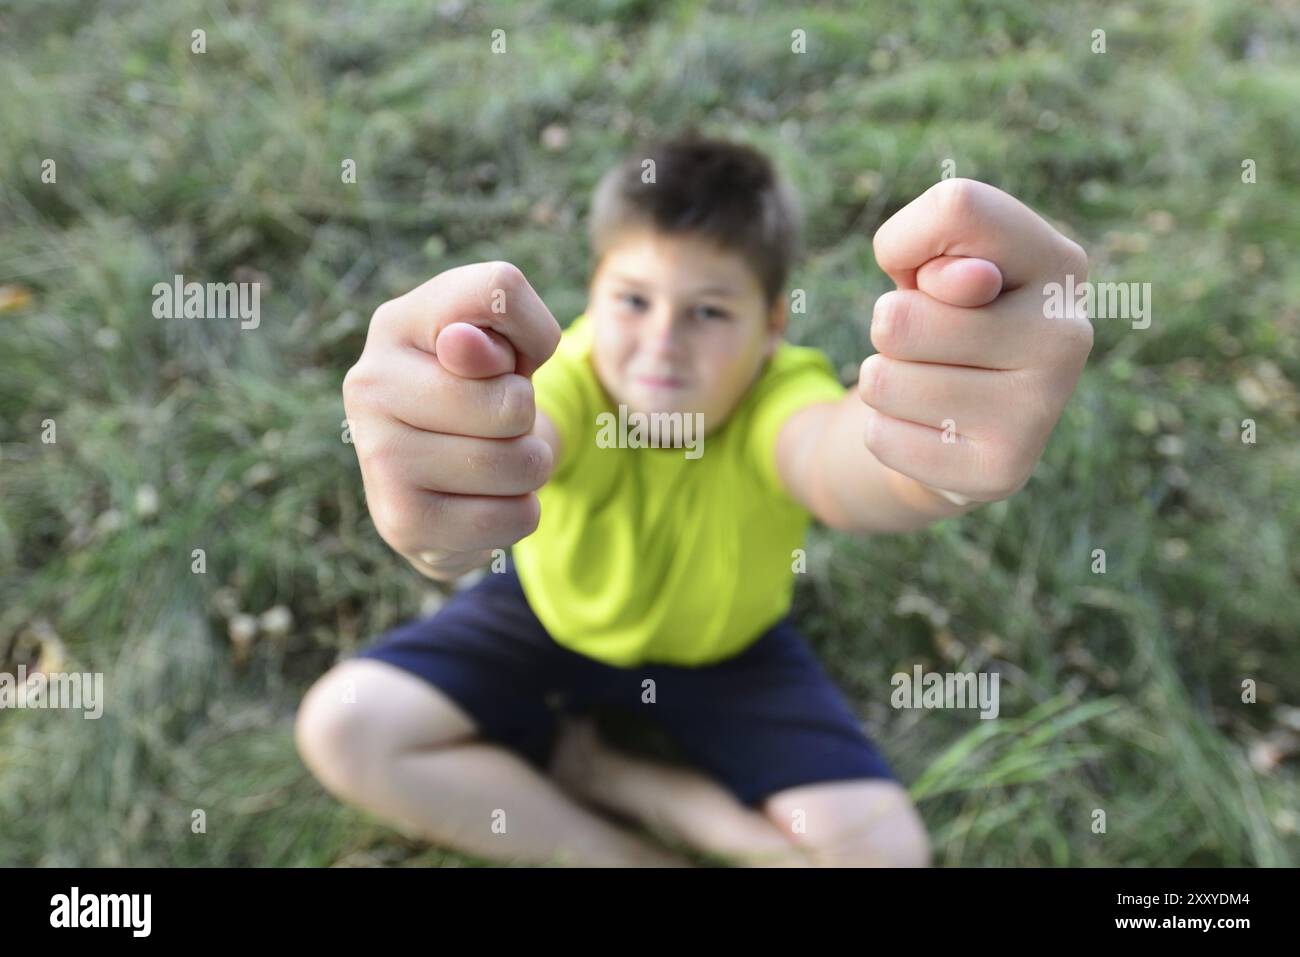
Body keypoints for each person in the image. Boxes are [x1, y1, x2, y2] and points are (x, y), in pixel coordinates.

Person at [295, 134, 1092, 866]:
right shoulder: (572, 378)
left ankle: (622, 777)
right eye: (633, 301)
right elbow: (530, 432)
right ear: (593, 297)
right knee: (345, 727)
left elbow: (840, 459)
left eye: (709, 311)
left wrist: (935, 458)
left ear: (771, 327)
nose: (662, 343)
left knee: (888, 855)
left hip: (731, 649)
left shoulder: (779, 398)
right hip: (550, 617)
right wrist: (462, 443)